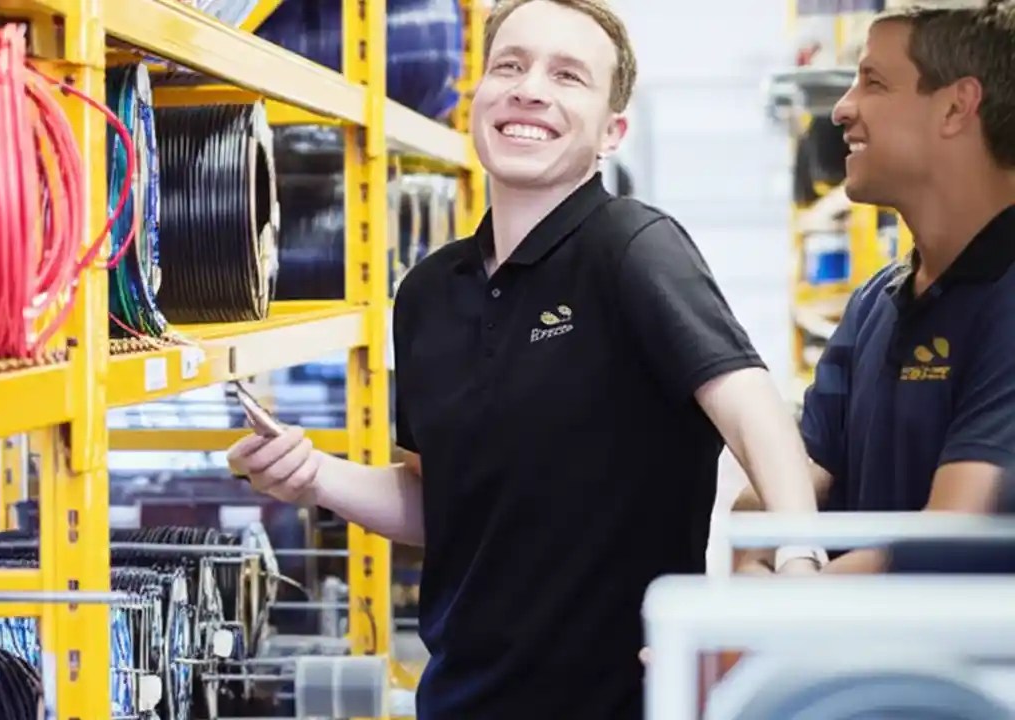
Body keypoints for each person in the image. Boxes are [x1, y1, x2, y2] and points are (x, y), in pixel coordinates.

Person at [228, 1, 822, 717]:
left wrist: (796, 568)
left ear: (612, 133)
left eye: (568, 75)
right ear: (477, 97)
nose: (530, 88)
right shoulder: (427, 293)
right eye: (509, 65)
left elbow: (756, 412)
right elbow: (442, 503)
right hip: (459, 697)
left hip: (615, 699)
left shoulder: (632, 248)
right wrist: (316, 475)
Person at [733, 1, 1015, 575]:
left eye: (873, 82)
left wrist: (785, 600)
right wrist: (771, 576)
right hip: (855, 653)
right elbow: (770, 495)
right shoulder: (876, 301)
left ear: (957, 106)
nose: (841, 110)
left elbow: (953, 539)